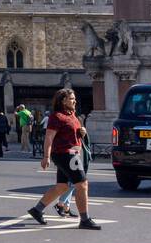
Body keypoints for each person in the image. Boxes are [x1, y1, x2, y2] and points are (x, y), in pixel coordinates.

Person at [27, 88, 101, 231]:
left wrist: (82, 132)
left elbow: (74, 133)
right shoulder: (57, 116)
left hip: (72, 153)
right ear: (63, 100)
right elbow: (49, 138)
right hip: (65, 154)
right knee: (82, 184)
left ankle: (37, 210)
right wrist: (46, 157)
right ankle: (85, 219)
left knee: (63, 186)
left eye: (74, 98)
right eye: (72, 98)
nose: (75, 101)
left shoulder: (72, 114)